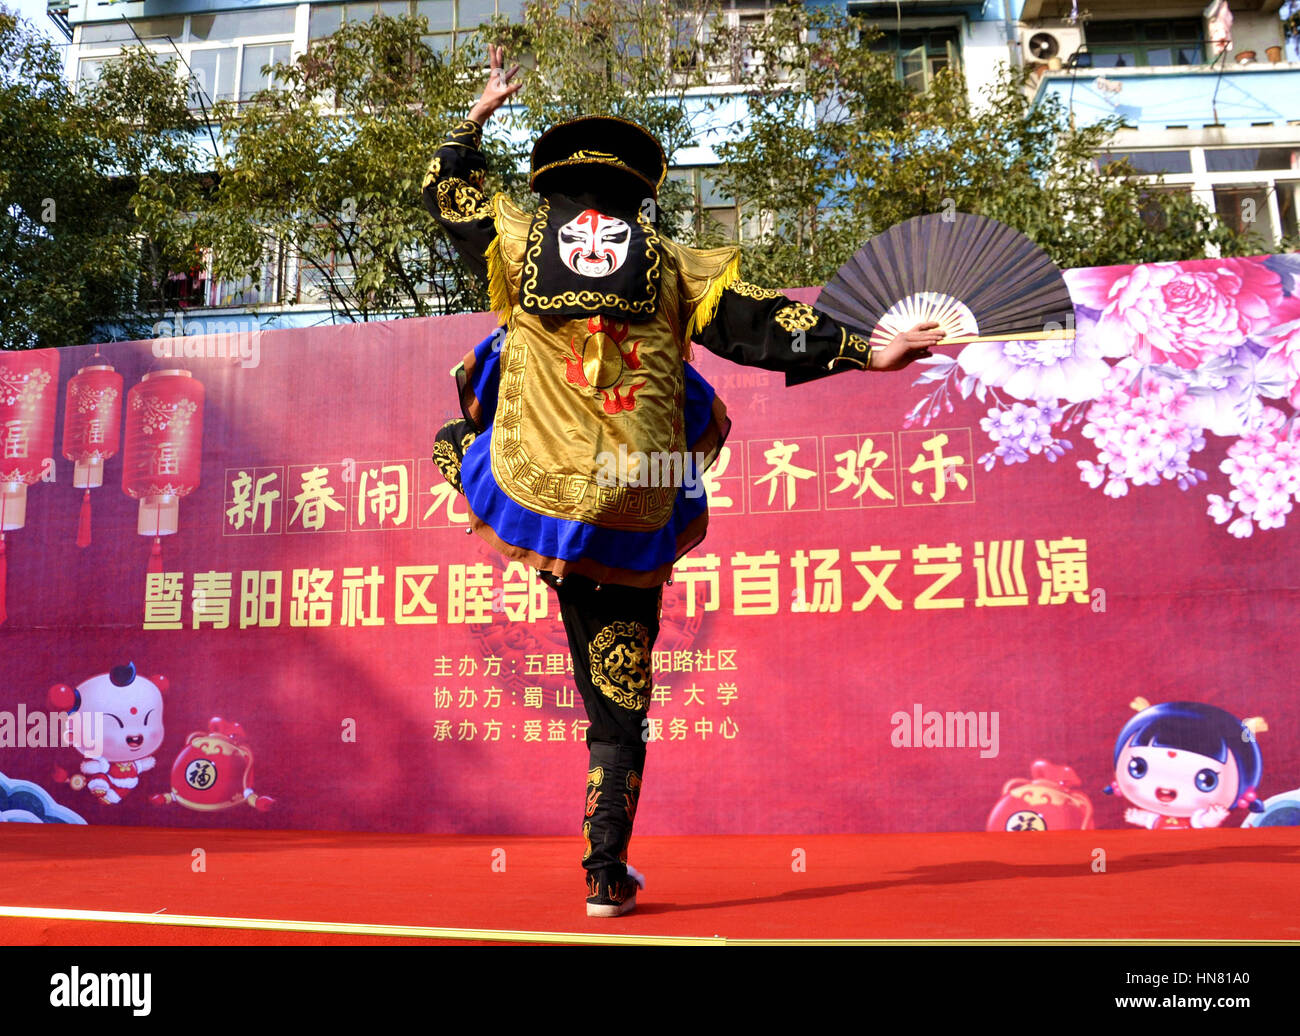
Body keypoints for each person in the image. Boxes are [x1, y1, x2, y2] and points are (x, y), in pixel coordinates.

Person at [423, 46, 943, 917]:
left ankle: (483, 485)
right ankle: (602, 874)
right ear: (643, 191)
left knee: (456, 430)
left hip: (536, 489)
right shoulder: (673, 265)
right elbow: (761, 328)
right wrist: (867, 348)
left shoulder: (519, 237)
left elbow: (453, 198)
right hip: (635, 507)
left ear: (555, 182)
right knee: (616, 705)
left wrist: (474, 122)